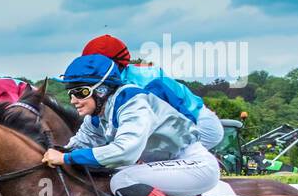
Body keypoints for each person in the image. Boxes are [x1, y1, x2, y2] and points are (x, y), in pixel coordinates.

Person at [44, 53, 218, 196]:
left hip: (195, 165)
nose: (73, 100)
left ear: (102, 90)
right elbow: (77, 144)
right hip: (170, 165)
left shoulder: (132, 101)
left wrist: (66, 159)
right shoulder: (97, 116)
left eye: (80, 92)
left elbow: (124, 152)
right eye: (70, 93)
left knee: (122, 179)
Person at [81, 35, 225, 150]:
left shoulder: (145, 81)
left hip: (201, 125)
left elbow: (178, 119)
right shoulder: (109, 82)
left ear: (114, 64)